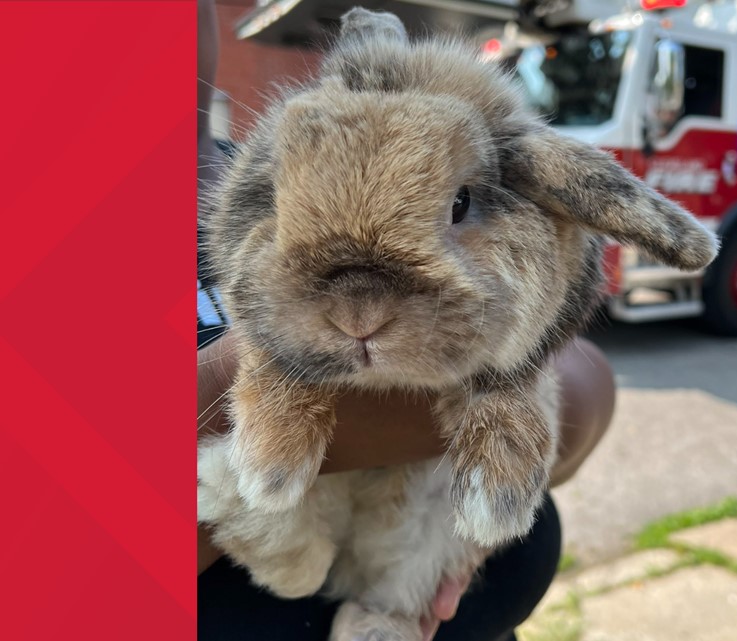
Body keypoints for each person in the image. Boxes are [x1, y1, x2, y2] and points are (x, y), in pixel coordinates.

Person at [195, 2, 616, 639]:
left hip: (428, 573)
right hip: (297, 559)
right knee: (287, 546)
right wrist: (275, 363)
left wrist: (515, 383)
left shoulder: (247, 159)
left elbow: (586, 386)